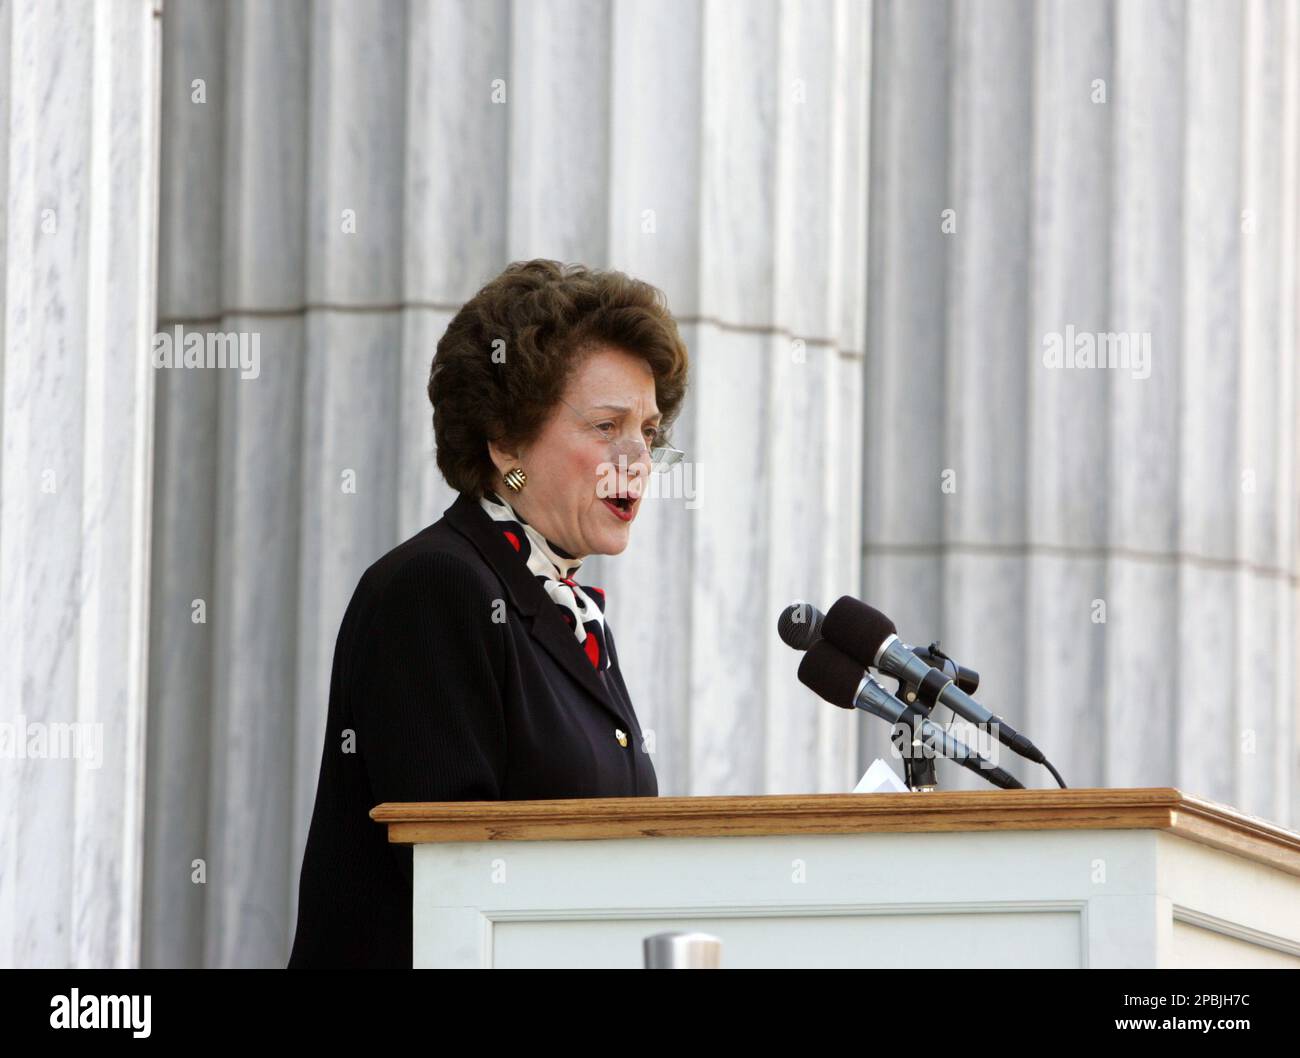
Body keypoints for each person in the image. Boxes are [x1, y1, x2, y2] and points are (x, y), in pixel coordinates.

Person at [288, 259, 691, 967]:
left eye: (649, 433)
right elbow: (459, 880)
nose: (636, 459)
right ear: (505, 443)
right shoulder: (436, 588)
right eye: (606, 426)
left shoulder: (567, 611)